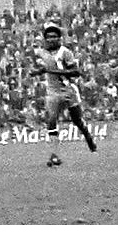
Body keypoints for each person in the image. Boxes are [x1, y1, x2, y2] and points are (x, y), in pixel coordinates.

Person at [30, 21, 100, 167]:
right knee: (51, 120)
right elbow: (37, 68)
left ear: (59, 38)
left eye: (54, 36)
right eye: (48, 37)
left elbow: (75, 72)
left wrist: (49, 71)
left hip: (68, 90)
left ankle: (89, 139)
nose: (51, 39)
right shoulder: (41, 53)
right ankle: (54, 155)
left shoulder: (65, 52)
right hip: (52, 92)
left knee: (77, 120)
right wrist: (35, 71)